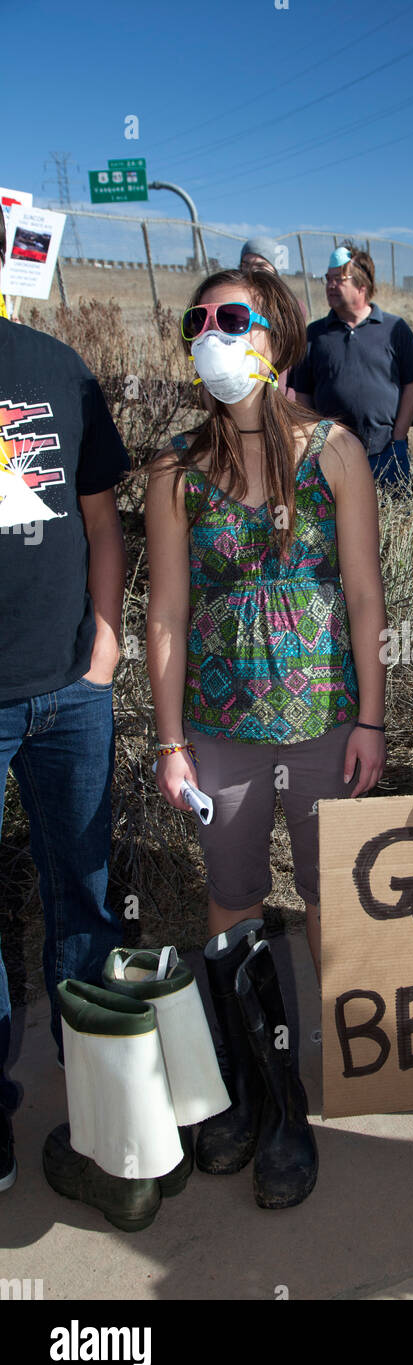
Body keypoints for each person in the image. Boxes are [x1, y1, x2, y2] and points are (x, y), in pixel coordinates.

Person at [146, 266, 387, 969]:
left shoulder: (336, 453)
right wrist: (170, 745)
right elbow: (164, 614)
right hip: (219, 734)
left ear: (276, 337)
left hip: (328, 723)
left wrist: (371, 721)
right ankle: (249, 1066)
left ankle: (346, 1057)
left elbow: (367, 597)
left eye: (230, 321)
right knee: (233, 893)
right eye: (198, 323)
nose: (210, 335)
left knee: (332, 896)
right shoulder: (176, 469)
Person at [0, 213, 128, 1193]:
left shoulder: (60, 369)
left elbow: (100, 518)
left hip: (69, 692)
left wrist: (108, 637)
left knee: (83, 892)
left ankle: (98, 1103)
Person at [293, 244, 413, 487]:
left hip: (385, 454)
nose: (330, 285)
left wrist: (398, 438)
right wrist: (316, 440)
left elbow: (411, 386)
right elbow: (303, 394)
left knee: (387, 521)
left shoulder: (395, 329)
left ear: (362, 285)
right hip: (330, 454)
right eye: (328, 279)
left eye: (338, 279)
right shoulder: (314, 334)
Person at [238, 236, 300, 400]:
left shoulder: (291, 307)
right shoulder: (232, 305)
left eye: (260, 265)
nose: (251, 271)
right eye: (245, 265)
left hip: (279, 394)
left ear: (275, 270)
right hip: (240, 393)